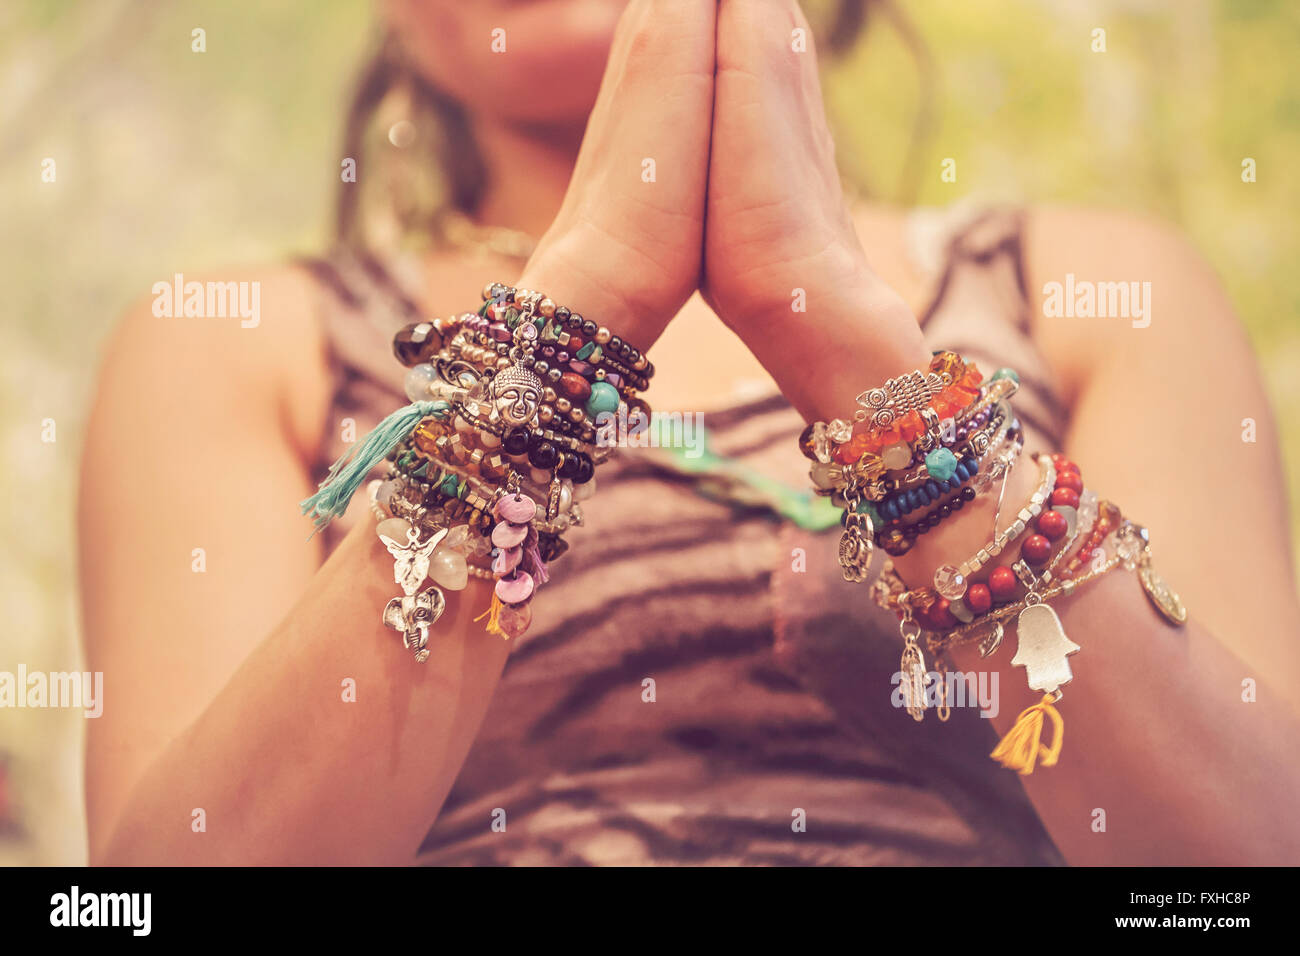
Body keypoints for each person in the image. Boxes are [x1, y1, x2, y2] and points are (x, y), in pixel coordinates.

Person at [80, 0, 1300, 865]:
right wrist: (581, 306)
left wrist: (827, 319)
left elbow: (1244, 858)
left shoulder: (1090, 284)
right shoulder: (237, 333)